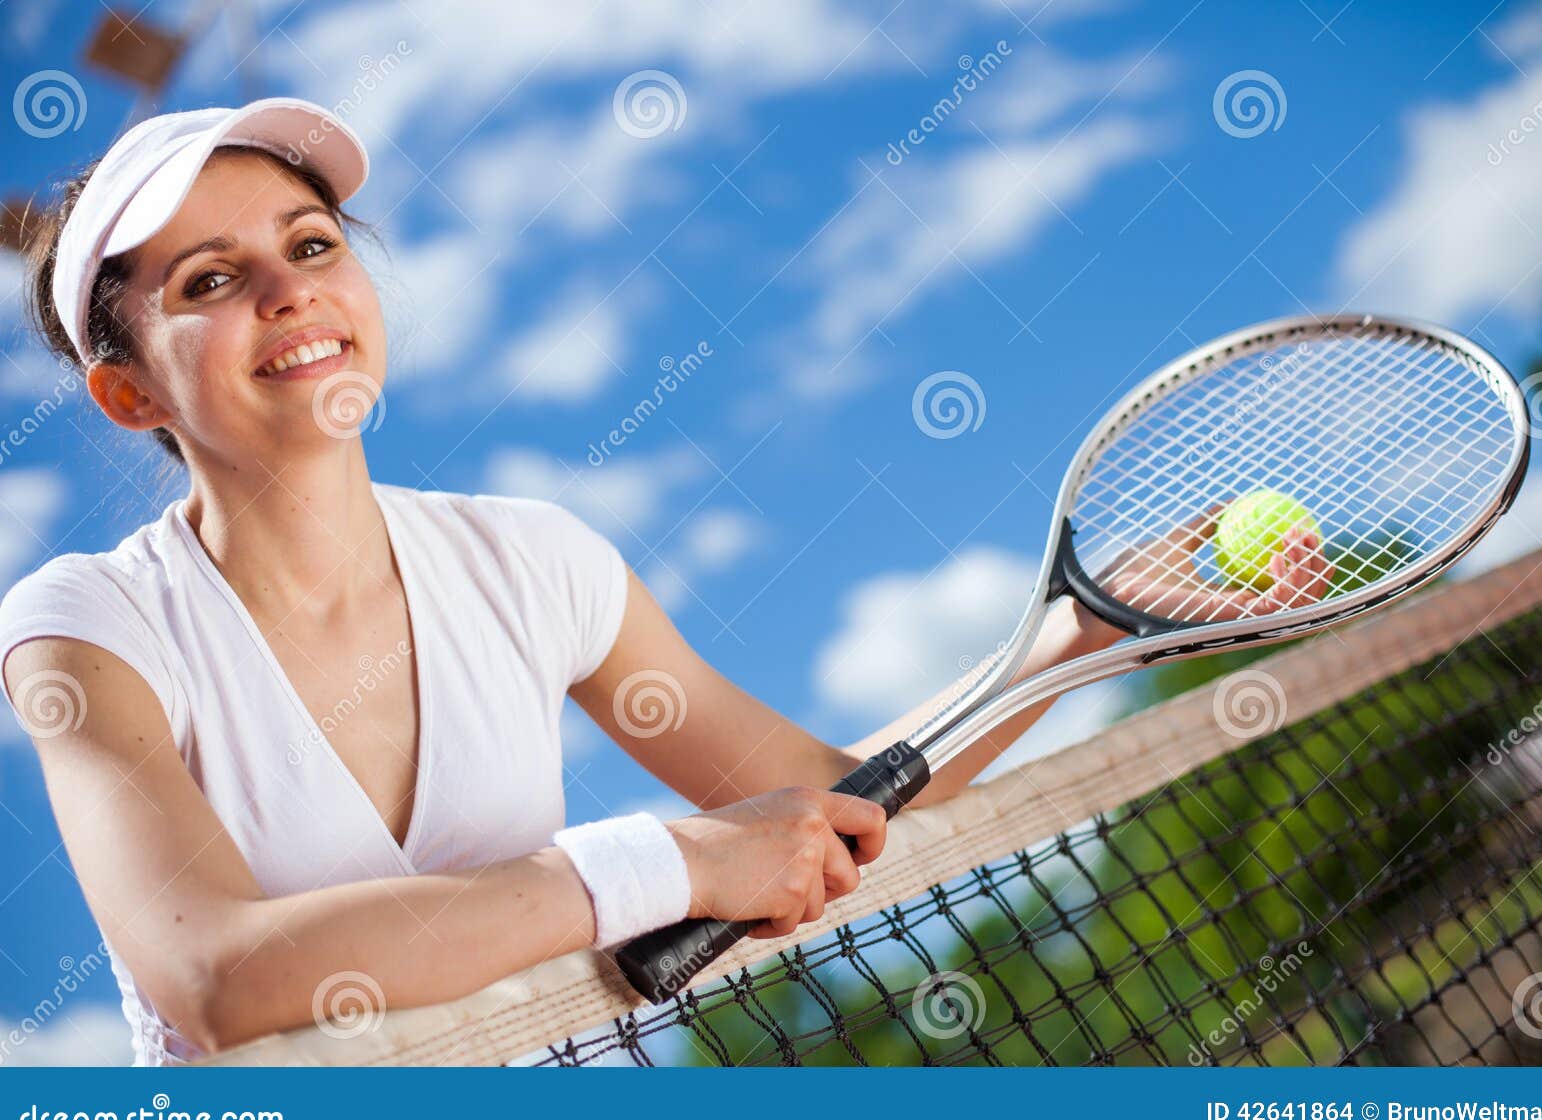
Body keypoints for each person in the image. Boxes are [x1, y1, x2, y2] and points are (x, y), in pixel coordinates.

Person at [1, 98, 1326, 1066]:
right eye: (212, 280)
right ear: (127, 393)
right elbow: (220, 976)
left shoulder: (534, 561)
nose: (290, 295)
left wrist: (1073, 634)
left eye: (311, 245)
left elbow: (827, 805)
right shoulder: (85, 629)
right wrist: (673, 861)